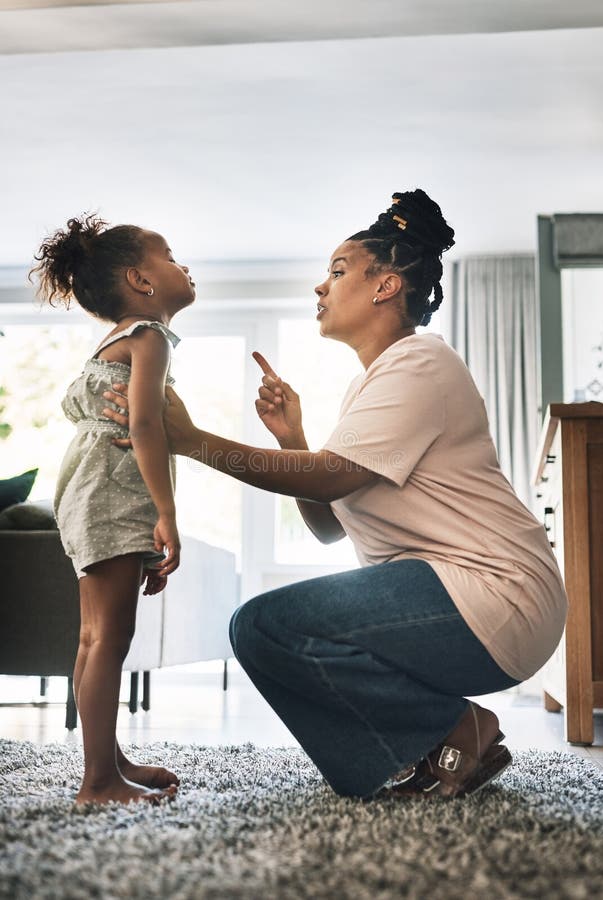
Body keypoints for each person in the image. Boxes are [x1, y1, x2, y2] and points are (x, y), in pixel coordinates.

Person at [102, 189, 568, 800]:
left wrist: (188, 440)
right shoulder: (371, 386)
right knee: (263, 632)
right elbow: (329, 525)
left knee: (263, 626)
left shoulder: (420, 362)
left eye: (338, 271)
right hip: (455, 597)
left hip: (495, 593)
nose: (322, 287)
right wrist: (295, 438)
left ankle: (455, 730)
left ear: (386, 286)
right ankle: (441, 748)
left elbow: (330, 477)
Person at [30, 214, 196, 805]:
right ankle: (98, 782)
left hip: (85, 491)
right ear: (140, 279)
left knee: (92, 638)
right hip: (109, 494)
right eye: (172, 255)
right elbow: (148, 427)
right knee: (109, 640)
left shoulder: (112, 339)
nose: (185, 265)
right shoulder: (149, 337)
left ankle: (109, 758)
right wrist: (167, 516)